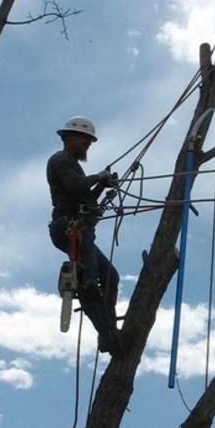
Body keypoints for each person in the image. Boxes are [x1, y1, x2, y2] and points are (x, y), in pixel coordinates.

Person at [47, 115, 122, 354]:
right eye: (84, 140)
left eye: (89, 141)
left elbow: (84, 198)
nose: (87, 145)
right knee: (89, 281)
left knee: (110, 276)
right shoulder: (60, 160)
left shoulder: (74, 166)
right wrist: (98, 177)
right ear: (69, 138)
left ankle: (108, 330)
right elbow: (74, 186)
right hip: (70, 228)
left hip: (79, 227)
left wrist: (102, 186)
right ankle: (107, 334)